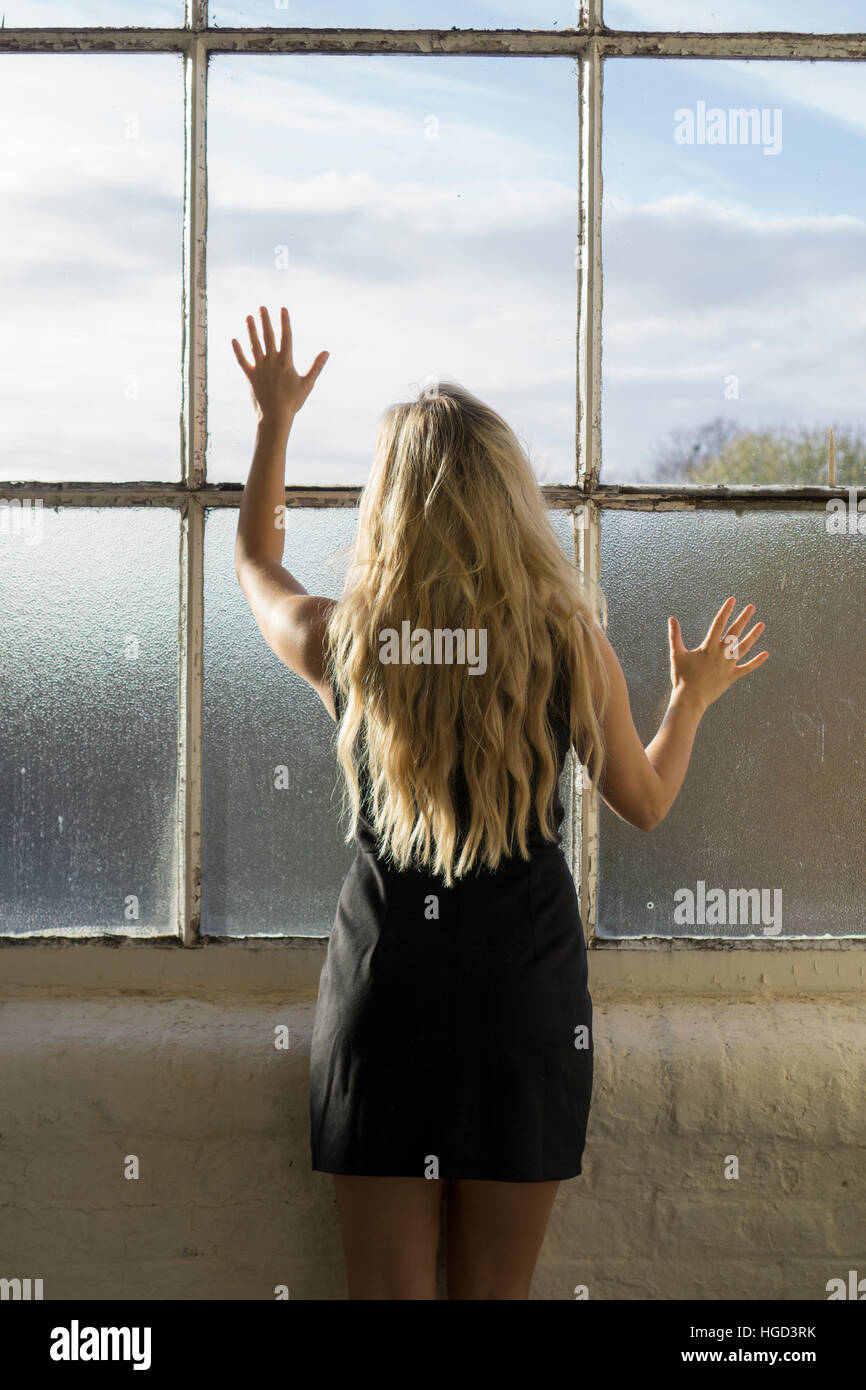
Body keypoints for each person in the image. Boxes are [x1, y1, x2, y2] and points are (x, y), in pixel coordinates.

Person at [232, 306, 769, 1301]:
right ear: (508, 504)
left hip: (382, 1000)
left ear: (388, 509)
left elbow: (258, 567)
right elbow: (643, 801)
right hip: (523, 1007)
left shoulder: (348, 643)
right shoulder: (564, 645)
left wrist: (273, 420)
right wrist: (687, 699)